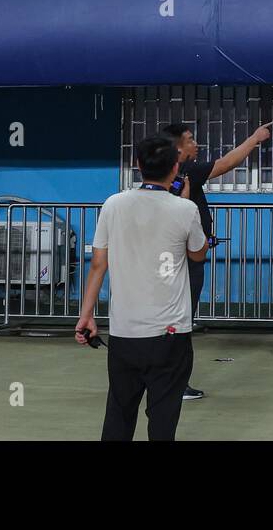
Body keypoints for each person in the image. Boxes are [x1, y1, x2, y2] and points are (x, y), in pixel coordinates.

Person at [75, 135, 206, 441]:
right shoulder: (184, 210)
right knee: (163, 416)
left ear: (137, 165)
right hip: (170, 334)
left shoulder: (113, 204)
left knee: (119, 413)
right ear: (176, 168)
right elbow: (198, 253)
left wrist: (86, 315)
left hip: (124, 334)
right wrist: (186, 203)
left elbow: (98, 264)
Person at [159, 117, 272, 401]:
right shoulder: (186, 172)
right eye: (191, 140)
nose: (196, 144)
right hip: (185, 261)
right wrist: (254, 139)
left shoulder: (169, 176)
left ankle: (165, 378)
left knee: (174, 321)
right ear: (178, 149)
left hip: (175, 259)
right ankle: (173, 382)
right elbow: (225, 164)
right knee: (180, 323)